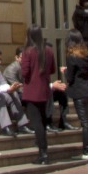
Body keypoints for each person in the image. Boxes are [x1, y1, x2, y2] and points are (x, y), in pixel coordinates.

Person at [18, 25, 66, 163]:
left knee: (37, 122)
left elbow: (25, 72)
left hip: (31, 90)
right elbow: (52, 70)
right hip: (44, 90)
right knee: (43, 121)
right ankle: (43, 149)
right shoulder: (49, 50)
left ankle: (43, 153)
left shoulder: (28, 51)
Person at [59, 32, 88, 161]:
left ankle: (86, 151)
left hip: (79, 93)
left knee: (85, 122)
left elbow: (70, 78)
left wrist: (65, 71)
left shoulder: (71, 57)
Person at [0, 48, 29, 136]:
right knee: (1, 96)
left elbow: (3, 83)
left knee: (13, 93)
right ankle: (5, 127)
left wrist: (10, 88)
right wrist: (6, 89)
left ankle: (22, 124)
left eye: (0, 59)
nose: (0, 62)